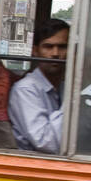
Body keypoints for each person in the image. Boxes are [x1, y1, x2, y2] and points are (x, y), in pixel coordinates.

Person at [7, 19, 69, 153]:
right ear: (35, 51)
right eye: (48, 47)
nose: (55, 54)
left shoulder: (63, 87)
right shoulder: (26, 89)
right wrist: (73, 97)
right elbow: (48, 143)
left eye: (62, 47)